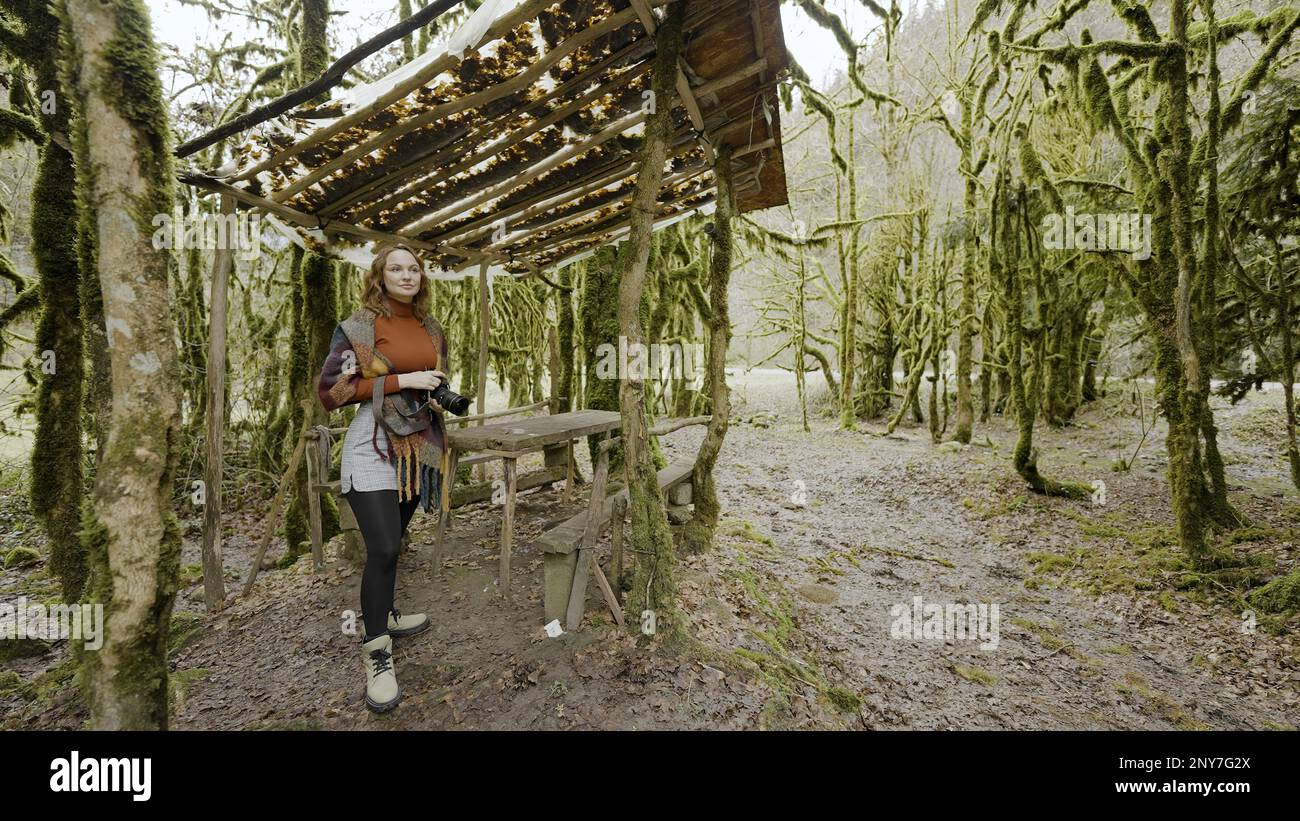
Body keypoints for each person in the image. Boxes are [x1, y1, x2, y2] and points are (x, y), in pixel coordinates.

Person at [316, 243, 453, 713]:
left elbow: (437, 376)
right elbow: (332, 392)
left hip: (419, 448)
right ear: (380, 275)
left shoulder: (431, 326)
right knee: (384, 547)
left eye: (413, 268)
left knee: (396, 538)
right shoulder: (358, 327)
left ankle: (386, 615)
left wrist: (437, 393)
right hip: (371, 446)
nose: (406, 275)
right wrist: (404, 381)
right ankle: (376, 655)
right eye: (396, 268)